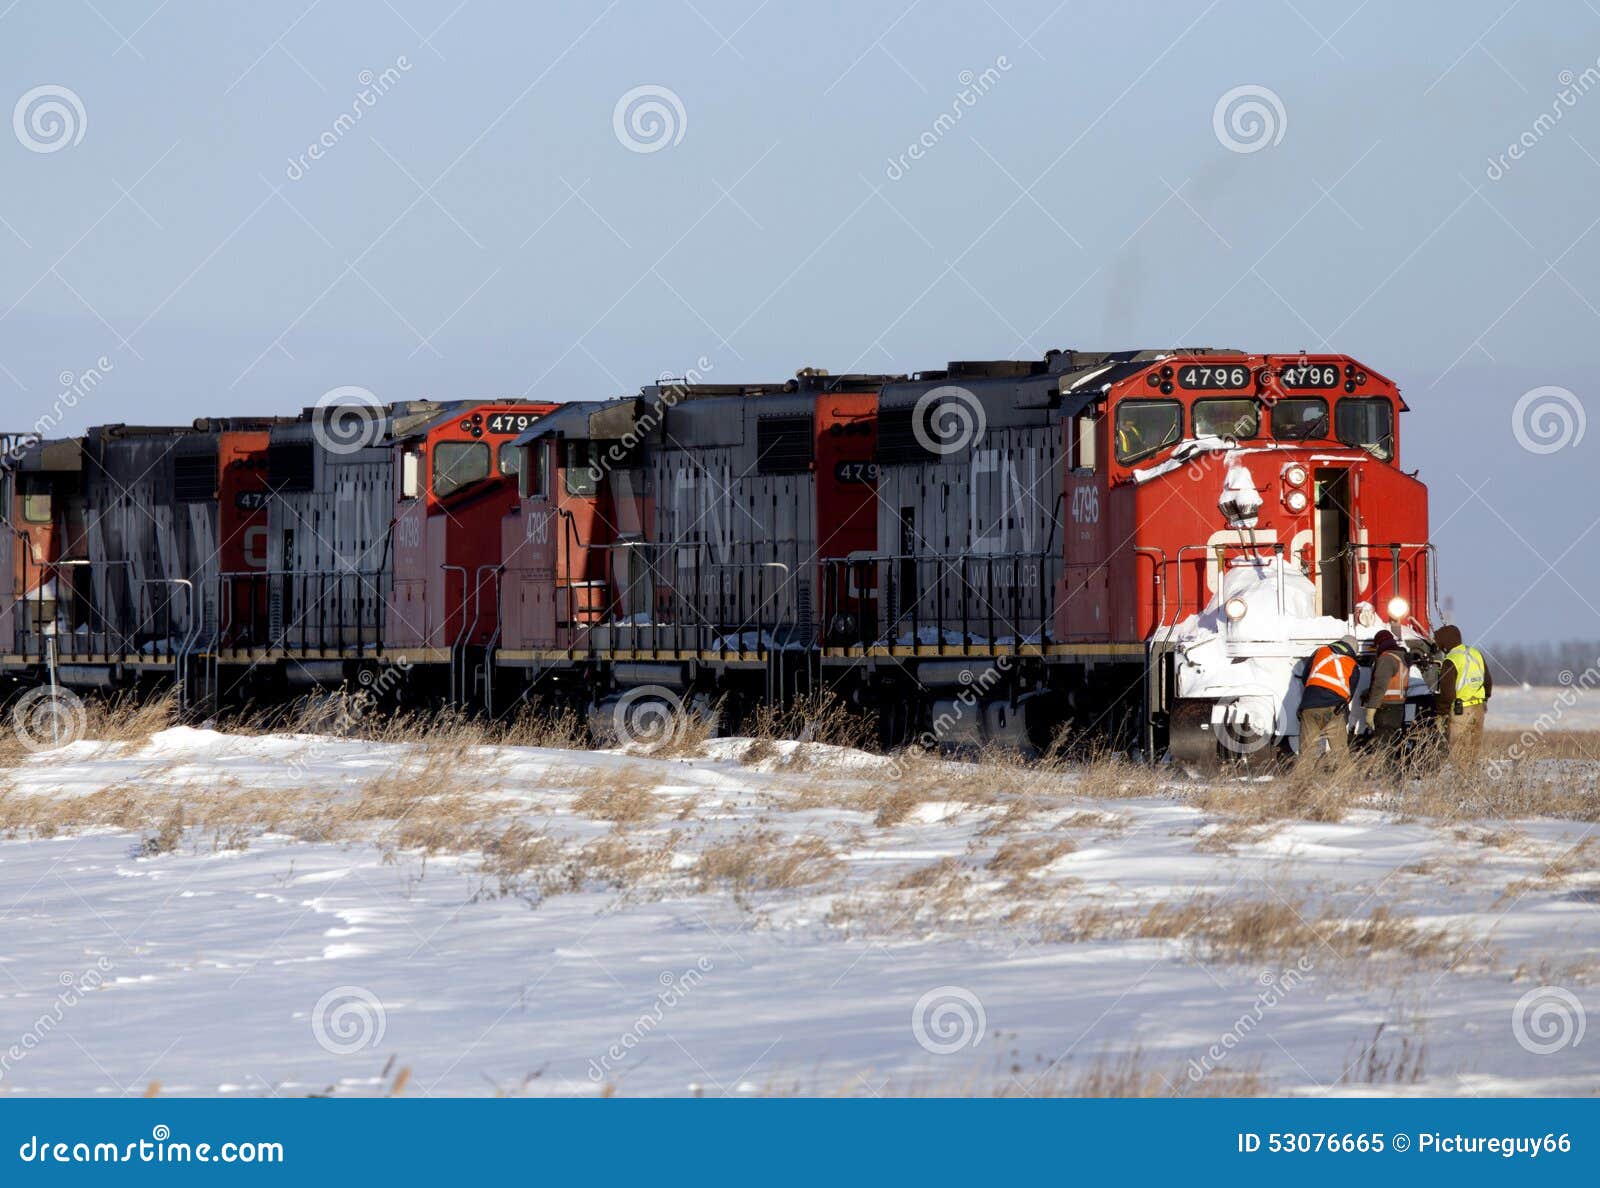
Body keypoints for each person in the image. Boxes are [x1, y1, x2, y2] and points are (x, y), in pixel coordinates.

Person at [1296, 634, 1359, 774]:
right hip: (1334, 709)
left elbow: (1306, 676)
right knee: (1340, 752)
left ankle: (1300, 787)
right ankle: (1347, 785)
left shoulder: (1321, 651)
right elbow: (1350, 693)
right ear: (1353, 651)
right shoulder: (1353, 665)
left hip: (1309, 706)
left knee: (1306, 752)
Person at [1433, 624, 1491, 768]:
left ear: (1445, 642)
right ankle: (1473, 782)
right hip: (1478, 709)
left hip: (1461, 712)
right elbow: (1487, 681)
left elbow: (1448, 693)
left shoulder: (1451, 660)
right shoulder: (1475, 653)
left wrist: (1441, 712)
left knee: (1459, 753)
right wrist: (1484, 699)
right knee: (1473, 751)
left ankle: (1462, 785)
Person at [1361, 630, 1409, 759]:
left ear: (1380, 644)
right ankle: (1392, 775)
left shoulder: (1386, 658)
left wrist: (1371, 709)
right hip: (1397, 709)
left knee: (1383, 749)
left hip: (1386, 709)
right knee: (1390, 746)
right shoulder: (1401, 657)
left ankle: (1385, 777)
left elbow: (1380, 685)